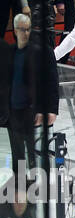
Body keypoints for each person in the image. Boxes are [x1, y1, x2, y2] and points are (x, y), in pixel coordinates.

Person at [0, 15, 59, 175]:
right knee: (17, 152)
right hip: (13, 112)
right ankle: (20, 184)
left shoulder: (43, 51)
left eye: (26, 29)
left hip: (33, 111)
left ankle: (36, 183)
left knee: (35, 152)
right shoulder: (10, 51)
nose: (23, 33)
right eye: (20, 29)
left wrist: (51, 108)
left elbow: (52, 81)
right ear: (14, 30)